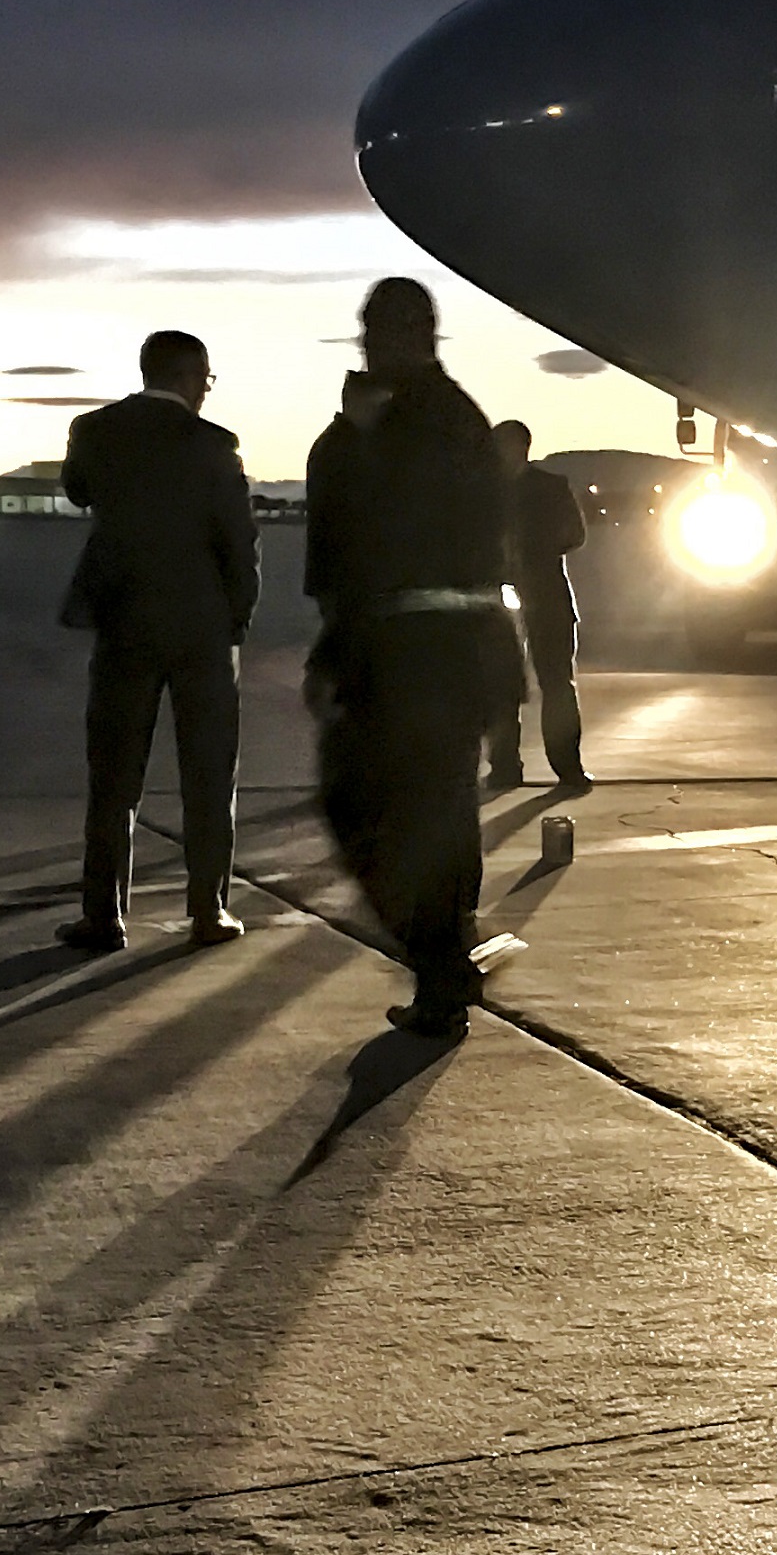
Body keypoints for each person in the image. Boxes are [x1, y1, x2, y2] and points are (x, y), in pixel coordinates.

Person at [305, 278, 505, 1034]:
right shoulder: (465, 420)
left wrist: (348, 433)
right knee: (442, 811)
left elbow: (354, 534)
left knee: (369, 809)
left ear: (403, 336)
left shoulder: (392, 425)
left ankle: (440, 961)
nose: (362, 344)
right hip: (458, 648)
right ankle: (445, 965)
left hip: (399, 652)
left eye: (371, 330)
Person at [57, 329, 258, 954]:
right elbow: (239, 542)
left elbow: (77, 490)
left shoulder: (95, 431)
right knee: (208, 775)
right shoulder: (214, 445)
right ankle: (208, 911)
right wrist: (236, 620)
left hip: (124, 623)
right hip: (201, 629)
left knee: (113, 776)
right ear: (193, 375)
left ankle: (104, 914)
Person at [481, 419, 590, 793]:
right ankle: (512, 767)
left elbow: (573, 535)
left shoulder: (534, 489)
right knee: (511, 684)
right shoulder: (489, 491)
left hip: (538, 595)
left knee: (553, 683)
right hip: (516, 596)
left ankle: (563, 768)